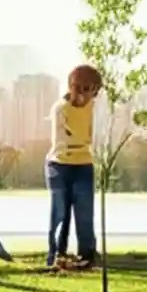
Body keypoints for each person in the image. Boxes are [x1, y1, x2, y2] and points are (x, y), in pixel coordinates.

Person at [44, 64, 102, 269]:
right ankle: (56, 254)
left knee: (84, 211)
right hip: (59, 165)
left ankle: (87, 254)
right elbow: (63, 141)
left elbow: (94, 135)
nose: (88, 96)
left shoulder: (94, 108)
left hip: (84, 165)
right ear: (74, 87)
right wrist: (82, 143)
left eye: (93, 91)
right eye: (85, 90)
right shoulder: (60, 109)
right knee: (60, 212)